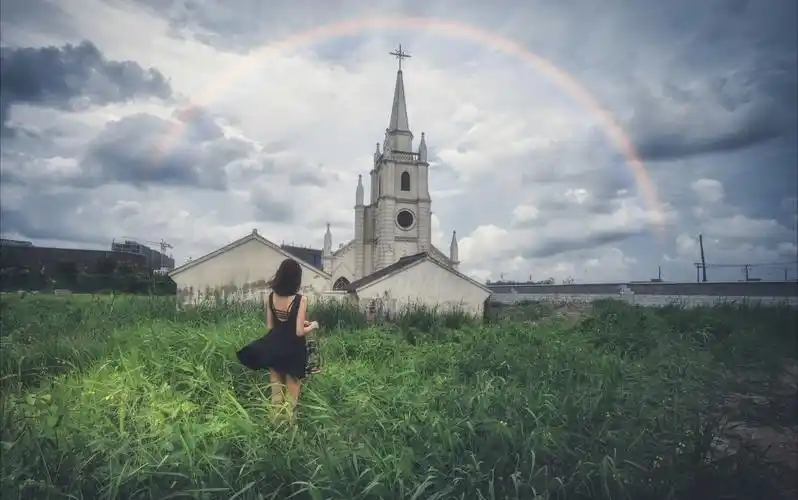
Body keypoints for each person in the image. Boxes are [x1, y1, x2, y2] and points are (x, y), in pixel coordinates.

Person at [236, 258, 319, 419]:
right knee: (291, 399)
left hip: (275, 349)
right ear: (296, 279)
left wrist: (298, 323)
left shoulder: (271, 297)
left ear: (280, 275)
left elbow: (271, 325)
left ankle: (274, 429)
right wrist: (313, 325)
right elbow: (299, 332)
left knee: (276, 397)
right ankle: (289, 431)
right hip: (294, 352)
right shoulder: (301, 299)